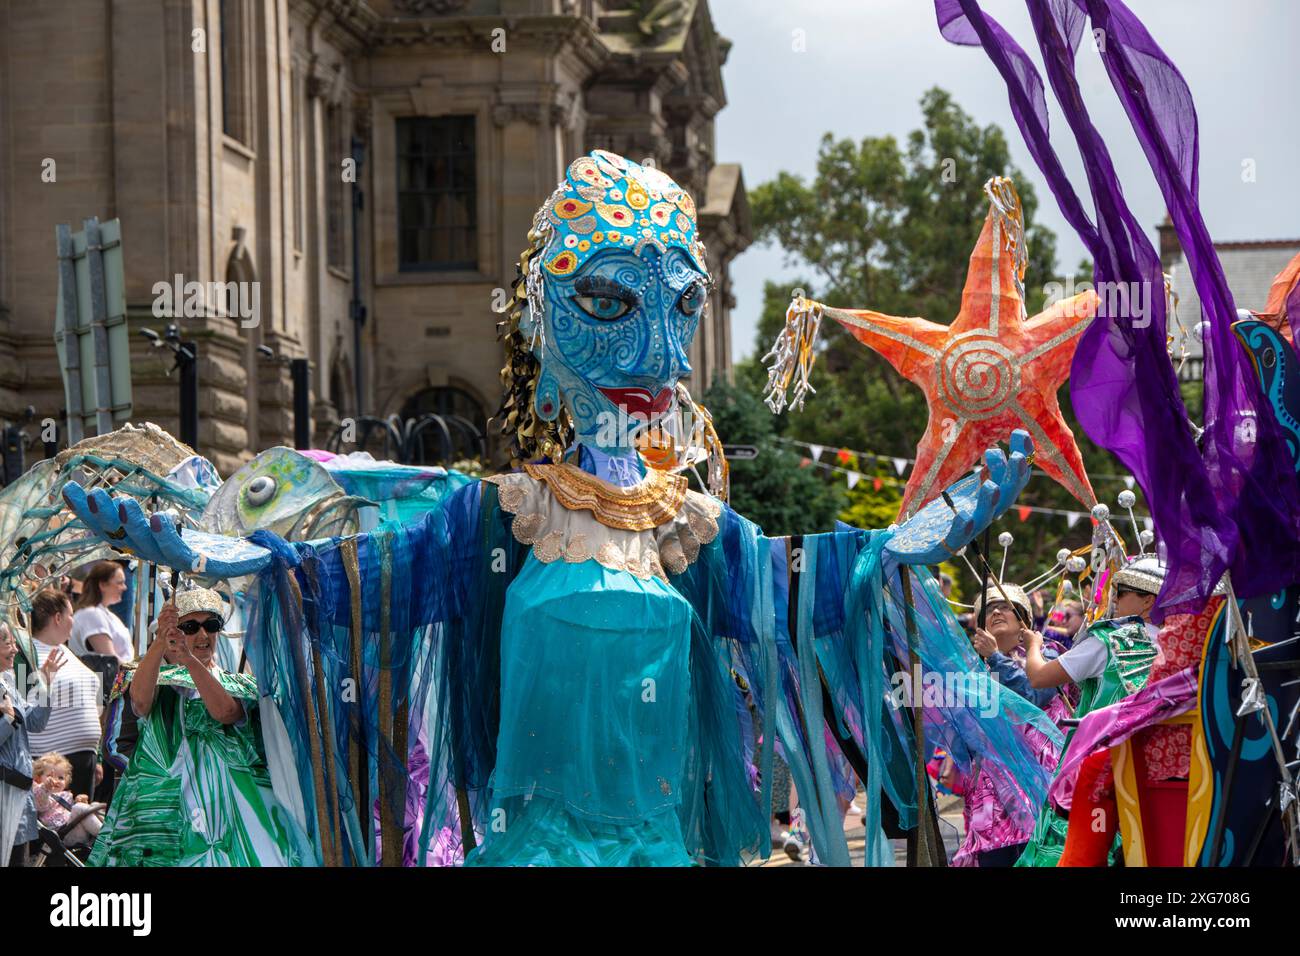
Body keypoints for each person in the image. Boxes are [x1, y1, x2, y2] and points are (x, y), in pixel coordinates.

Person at [89, 587, 305, 866]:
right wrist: (160, 643)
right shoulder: (152, 679)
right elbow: (140, 704)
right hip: (163, 810)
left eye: (211, 625)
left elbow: (225, 712)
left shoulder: (238, 684)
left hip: (232, 813)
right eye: (190, 627)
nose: (202, 635)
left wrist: (189, 660)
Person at [1014, 556, 1165, 867]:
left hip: (1097, 767)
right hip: (1152, 766)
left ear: (1148, 601)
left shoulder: (1109, 639)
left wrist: (1033, 644)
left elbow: (1039, 676)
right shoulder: (1174, 643)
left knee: (1078, 849)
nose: (1114, 599)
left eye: (1121, 592)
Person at [947, 584, 1069, 867]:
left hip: (1039, 782)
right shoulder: (969, 668)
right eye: (989, 609)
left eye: (1005, 606)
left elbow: (1033, 695)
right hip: (990, 789)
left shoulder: (1047, 655)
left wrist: (997, 659)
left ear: (1023, 619)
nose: (997, 611)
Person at [26, 589, 103, 801]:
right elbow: (26, 710)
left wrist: (96, 755)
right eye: (71, 615)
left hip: (83, 758)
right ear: (57, 618)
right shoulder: (27, 657)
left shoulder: (64, 651)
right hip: (51, 763)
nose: (73, 621)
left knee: (80, 825)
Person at [0, 624, 64, 866]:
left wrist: (47, 683)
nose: (15, 649)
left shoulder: (7, 682)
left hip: (18, 796)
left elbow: (35, 722)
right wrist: (9, 719)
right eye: (9, 643)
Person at [31, 751, 104, 847]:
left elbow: (71, 812)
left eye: (61, 778)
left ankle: (111, 831)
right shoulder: (40, 793)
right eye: (50, 776)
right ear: (38, 779)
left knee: (94, 805)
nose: (56, 780)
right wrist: (45, 787)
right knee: (79, 808)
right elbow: (41, 805)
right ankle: (106, 838)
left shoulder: (66, 795)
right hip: (61, 835)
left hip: (75, 828)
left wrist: (80, 801)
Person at [71, 561, 133, 663]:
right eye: (120, 583)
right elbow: (110, 660)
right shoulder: (91, 615)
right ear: (103, 585)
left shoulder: (104, 613)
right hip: (104, 678)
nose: (125, 587)